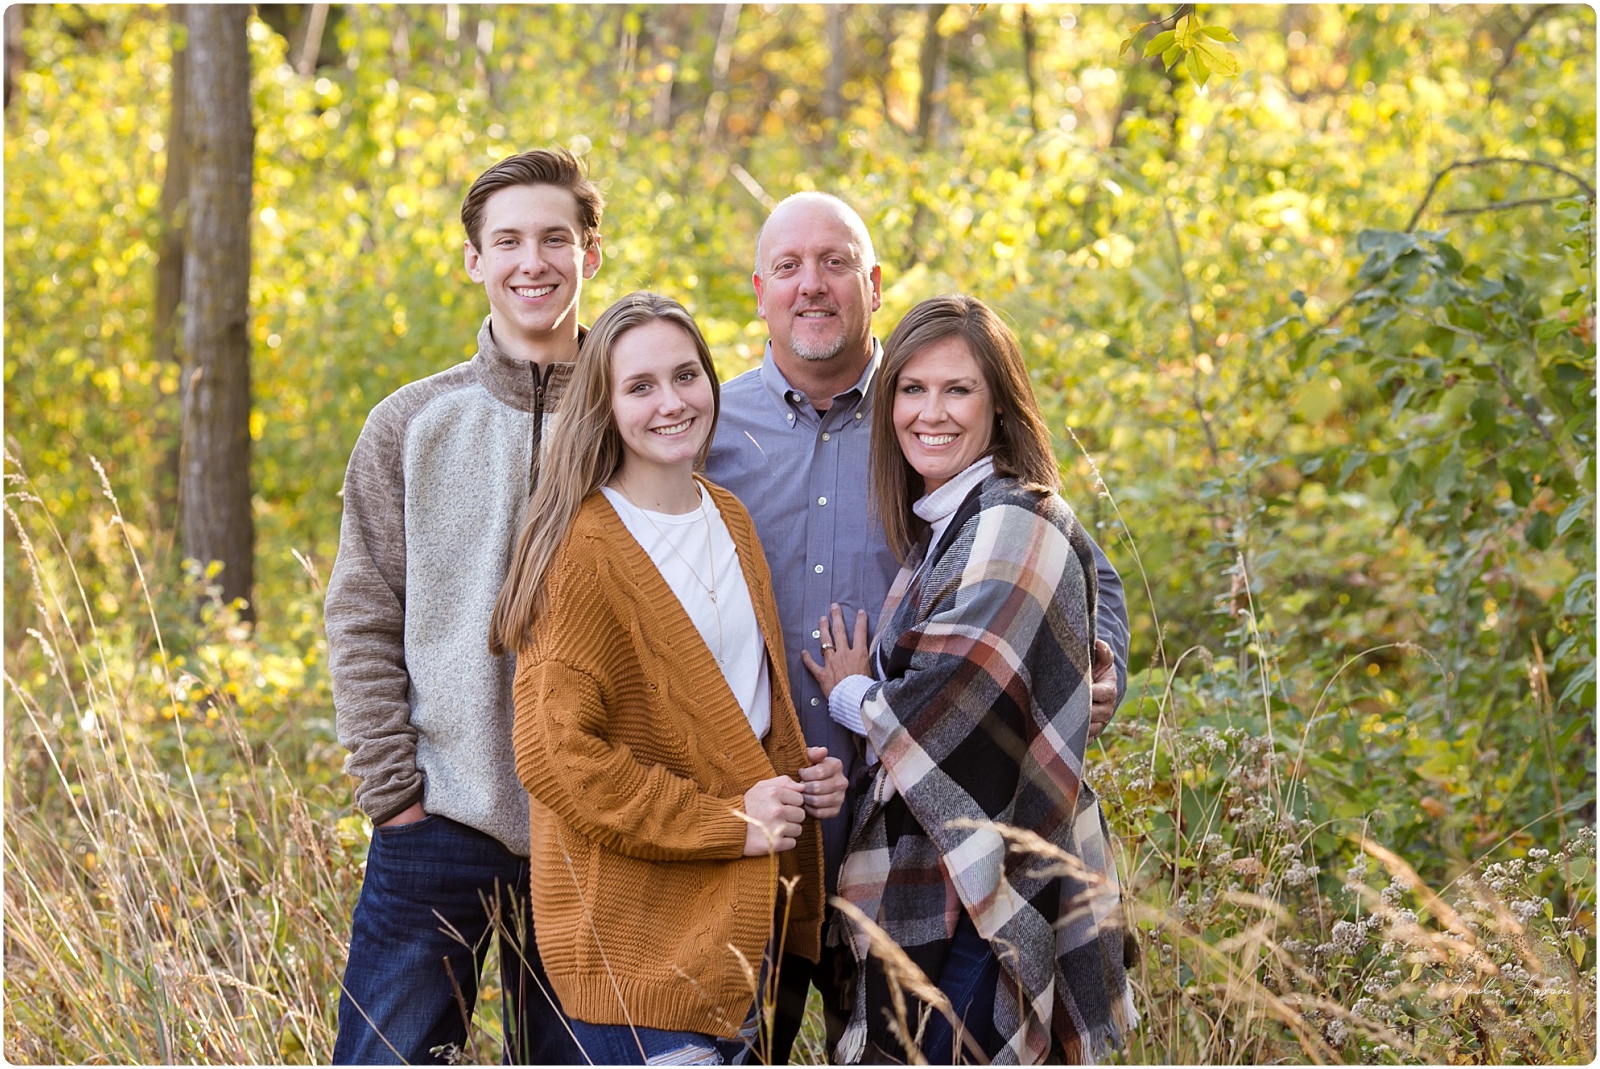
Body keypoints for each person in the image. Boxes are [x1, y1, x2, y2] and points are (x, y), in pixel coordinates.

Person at [704, 192, 1132, 1060]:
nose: (811, 286)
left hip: (920, 849)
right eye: (788, 266)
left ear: (872, 283)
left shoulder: (926, 427)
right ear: (759, 288)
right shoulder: (705, 425)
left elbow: (1085, 569)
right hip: (756, 838)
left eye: (834, 263)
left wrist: (1091, 667)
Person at [489, 291, 851, 1065]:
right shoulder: (581, 551)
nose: (671, 402)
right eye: (641, 386)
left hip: (738, 925)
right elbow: (557, 760)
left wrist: (797, 781)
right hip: (637, 941)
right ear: (605, 404)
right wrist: (734, 821)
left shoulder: (730, 517)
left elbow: (734, 718)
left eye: (686, 376)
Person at [806, 294, 1137, 1065]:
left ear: (1000, 403)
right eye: (912, 390)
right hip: (942, 876)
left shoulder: (1011, 518)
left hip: (990, 888)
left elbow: (951, 699)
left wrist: (852, 692)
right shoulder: (953, 518)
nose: (932, 413)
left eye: (958, 390)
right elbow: (1096, 579)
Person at [324, 148, 601, 1064]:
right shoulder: (409, 423)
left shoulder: (639, 416)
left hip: (597, 827)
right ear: (474, 259)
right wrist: (395, 793)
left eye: (555, 238)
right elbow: (361, 614)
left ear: (589, 254)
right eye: (509, 240)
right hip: (437, 817)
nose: (534, 262)